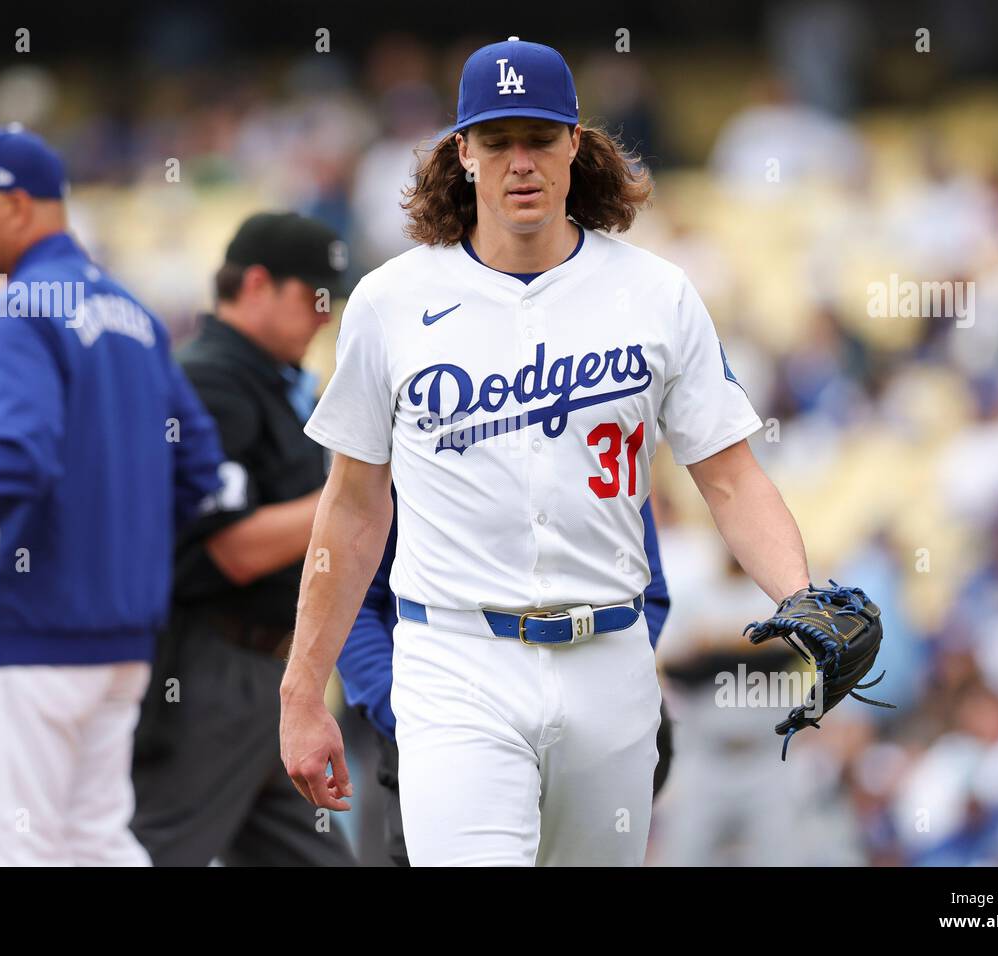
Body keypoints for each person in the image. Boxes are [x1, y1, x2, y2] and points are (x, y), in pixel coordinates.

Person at [280, 37, 812, 866]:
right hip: (456, 659)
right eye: (496, 141)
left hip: (611, 661)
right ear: (462, 152)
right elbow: (351, 507)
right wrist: (302, 689)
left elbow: (733, 480)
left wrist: (801, 598)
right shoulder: (389, 302)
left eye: (538, 137)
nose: (519, 162)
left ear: (575, 141)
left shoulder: (656, 292)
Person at [0, 125, 225, 866]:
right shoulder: (134, 316)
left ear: (16, 205)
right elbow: (202, 470)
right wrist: (118, 553)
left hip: (30, 634)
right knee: (95, 844)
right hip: (120, 640)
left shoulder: (16, 309)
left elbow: (14, 453)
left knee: (16, 856)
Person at [131, 212, 357, 866]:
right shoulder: (208, 379)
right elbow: (234, 548)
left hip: (268, 676)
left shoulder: (274, 382)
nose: (324, 316)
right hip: (209, 669)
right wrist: (358, 501)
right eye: (314, 296)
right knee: (152, 854)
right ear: (257, 284)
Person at [339, 494, 674, 865]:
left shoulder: (598, 455)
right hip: (435, 720)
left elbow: (648, 596)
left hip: (589, 730)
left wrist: (608, 684)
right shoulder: (416, 460)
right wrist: (412, 709)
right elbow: (352, 602)